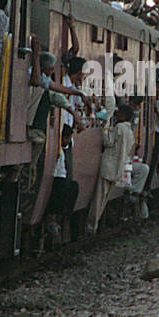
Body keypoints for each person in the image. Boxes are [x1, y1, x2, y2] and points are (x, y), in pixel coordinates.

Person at [86, 105, 136, 233]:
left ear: (123, 116)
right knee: (104, 199)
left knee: (99, 199)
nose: (116, 114)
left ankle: (91, 226)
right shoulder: (130, 132)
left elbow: (108, 142)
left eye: (118, 113)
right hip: (118, 169)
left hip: (108, 166)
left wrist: (104, 128)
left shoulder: (119, 128)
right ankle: (94, 225)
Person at [43, 124, 79, 246]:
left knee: (73, 187)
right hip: (57, 178)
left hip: (61, 177)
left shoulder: (65, 148)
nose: (68, 141)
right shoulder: (58, 150)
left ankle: (63, 217)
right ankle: (52, 216)